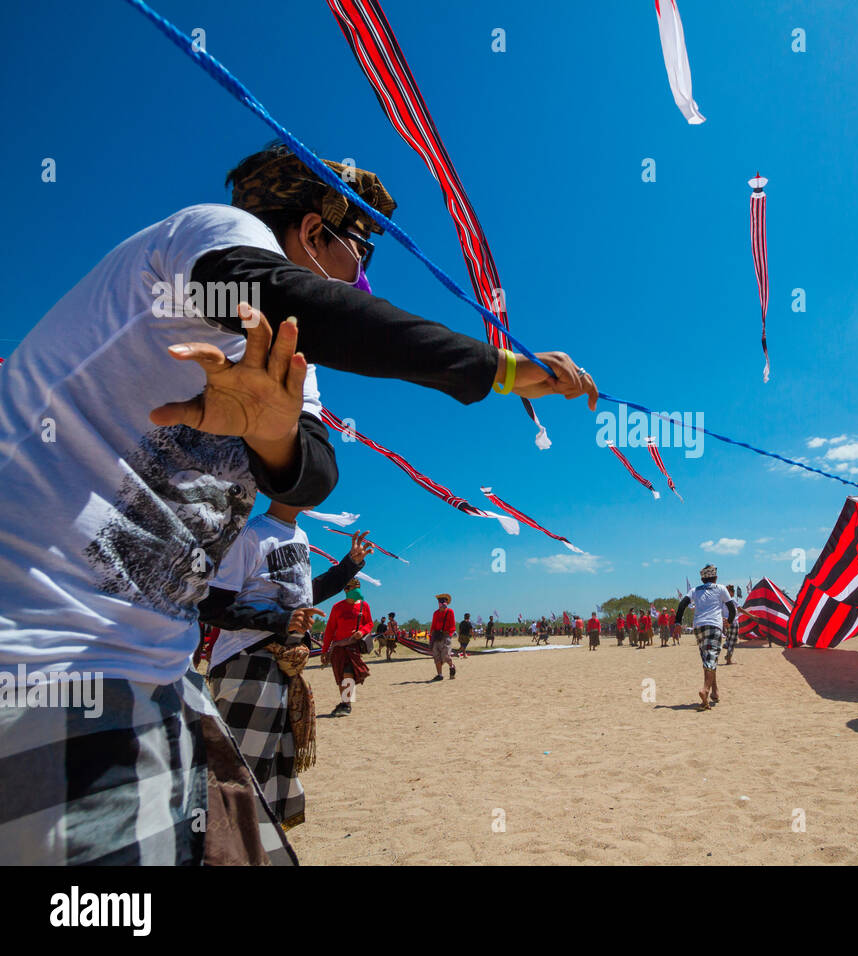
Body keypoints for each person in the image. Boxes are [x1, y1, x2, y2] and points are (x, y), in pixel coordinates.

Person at [0, 144, 601, 864]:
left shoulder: (291, 365)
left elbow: (312, 476)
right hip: (47, 656)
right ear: (314, 233)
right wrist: (498, 368)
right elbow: (280, 295)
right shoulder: (210, 234)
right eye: (360, 255)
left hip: (154, 670)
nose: (362, 280)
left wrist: (273, 431)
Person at [201, 509, 371, 828]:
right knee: (241, 771)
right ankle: (225, 846)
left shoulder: (301, 537)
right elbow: (211, 606)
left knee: (274, 762)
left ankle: (258, 846)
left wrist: (349, 564)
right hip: (247, 661)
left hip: (285, 664)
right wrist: (278, 621)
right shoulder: (250, 534)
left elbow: (304, 596)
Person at [676, 565, 738, 710]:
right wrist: (729, 622)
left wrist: (678, 622)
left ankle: (714, 693)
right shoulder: (720, 588)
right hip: (713, 626)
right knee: (711, 657)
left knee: (708, 658)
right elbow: (731, 608)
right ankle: (705, 689)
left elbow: (682, 604)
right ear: (715, 577)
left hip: (698, 627)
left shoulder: (695, 590)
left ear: (703, 578)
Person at [320, 580, 374, 716]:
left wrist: (362, 631)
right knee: (340, 676)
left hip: (353, 646)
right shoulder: (337, 607)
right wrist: (324, 650)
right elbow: (330, 630)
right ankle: (345, 702)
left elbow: (369, 623)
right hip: (338, 647)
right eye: (354, 589)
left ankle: (347, 704)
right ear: (346, 590)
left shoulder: (364, 606)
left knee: (348, 673)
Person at [429, 594, 457, 680]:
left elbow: (453, 625)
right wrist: (431, 638)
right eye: (440, 603)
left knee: (446, 656)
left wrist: (449, 633)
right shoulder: (436, 613)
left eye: (443, 602)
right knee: (436, 656)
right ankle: (440, 675)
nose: (442, 605)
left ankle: (452, 666)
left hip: (446, 636)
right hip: (436, 636)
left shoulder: (450, 612)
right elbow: (433, 626)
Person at [720, 586, 740, 662]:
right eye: (733, 591)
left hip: (726, 623)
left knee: (729, 637)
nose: (734, 592)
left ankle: (726, 643)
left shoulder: (723, 602)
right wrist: (751, 615)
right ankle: (728, 658)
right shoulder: (732, 600)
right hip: (733, 622)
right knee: (733, 640)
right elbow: (740, 609)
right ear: (731, 592)